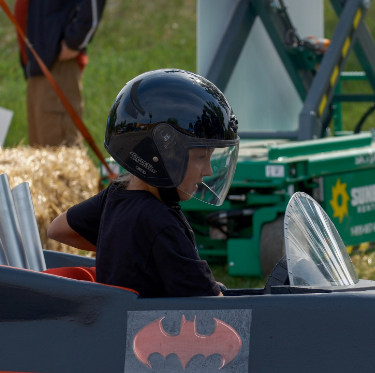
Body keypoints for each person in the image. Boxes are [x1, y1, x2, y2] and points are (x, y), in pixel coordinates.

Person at [47, 69, 239, 298]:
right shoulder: (162, 226)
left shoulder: (116, 195)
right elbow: (217, 309)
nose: (208, 170)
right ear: (162, 154)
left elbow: (58, 228)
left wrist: (128, 254)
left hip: (118, 324)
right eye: (200, 157)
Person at [14, 0, 106, 147]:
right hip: (38, 69)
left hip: (58, 68)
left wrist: (74, 42)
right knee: (41, 153)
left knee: (61, 154)